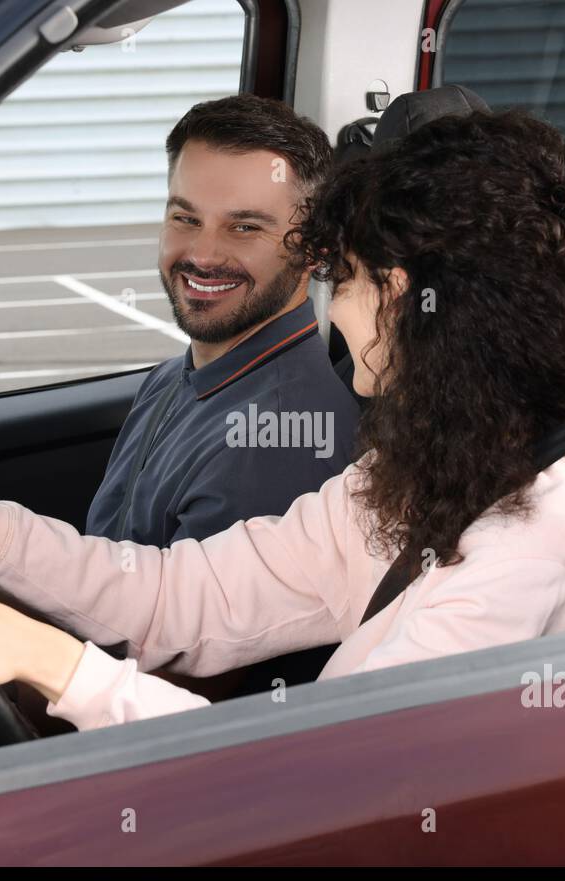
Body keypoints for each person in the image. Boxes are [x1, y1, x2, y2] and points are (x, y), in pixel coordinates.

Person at [0, 108, 565, 732]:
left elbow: (325, 786)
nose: (333, 314)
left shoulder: (531, 551)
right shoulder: (446, 474)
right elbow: (184, 595)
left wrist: (56, 667)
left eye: (351, 282)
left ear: (426, 306)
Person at [85, 94, 360, 548]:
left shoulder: (279, 440)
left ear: (313, 250)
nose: (202, 255)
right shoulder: (173, 377)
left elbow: (173, 620)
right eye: (185, 218)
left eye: (245, 227)